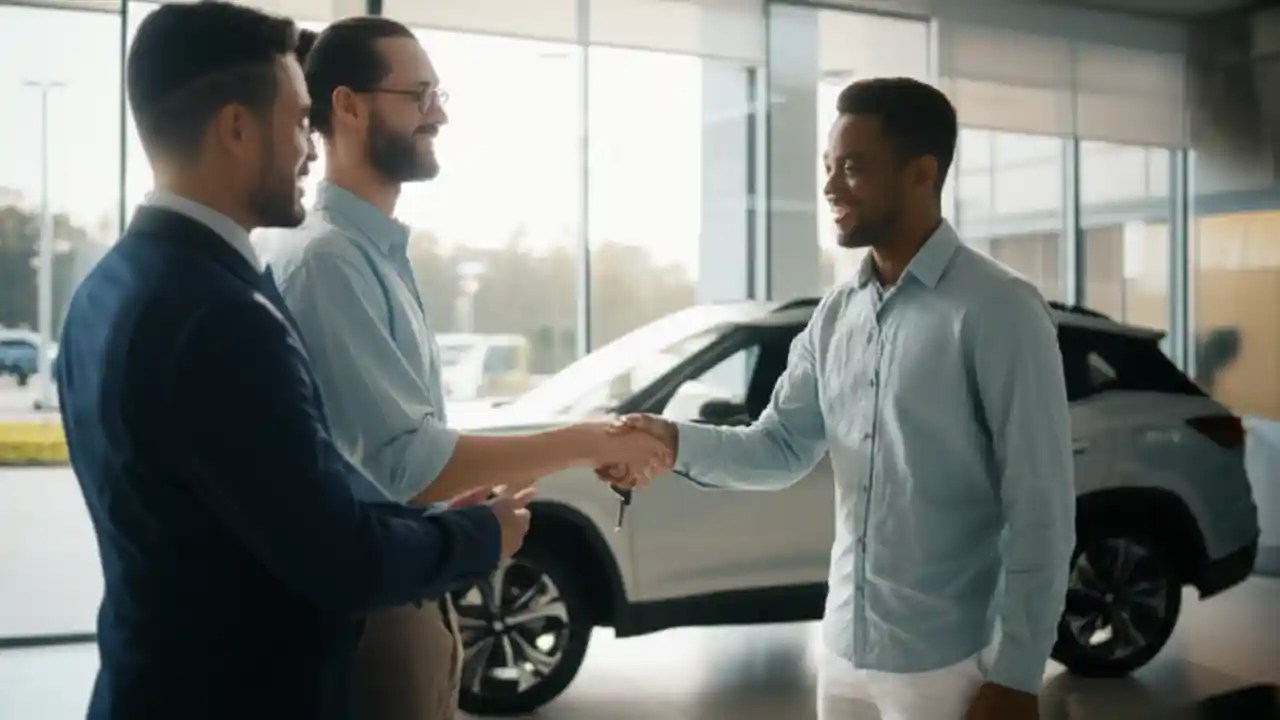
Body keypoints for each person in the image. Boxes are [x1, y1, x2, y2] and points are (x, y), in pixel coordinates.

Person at [55, 4, 532, 719]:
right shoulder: (219, 318)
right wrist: (482, 536)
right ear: (237, 128)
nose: (310, 147)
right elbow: (339, 559)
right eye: (298, 118)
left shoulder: (109, 288)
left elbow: (274, 504)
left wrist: (426, 527)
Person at [603, 78, 1074, 720]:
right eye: (829, 168)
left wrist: (1017, 674)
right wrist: (671, 439)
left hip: (953, 662)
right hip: (845, 650)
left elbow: (1040, 503)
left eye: (852, 169)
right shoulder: (834, 317)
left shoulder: (999, 309)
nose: (830, 188)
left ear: (921, 174)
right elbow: (780, 447)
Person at [256, 17, 671, 719]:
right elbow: (407, 463)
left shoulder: (372, 256)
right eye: (419, 95)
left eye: (438, 94)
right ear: (349, 106)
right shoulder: (327, 261)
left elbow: (399, 454)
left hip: (410, 588)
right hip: (372, 613)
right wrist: (591, 441)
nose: (440, 113)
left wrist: (541, 465)